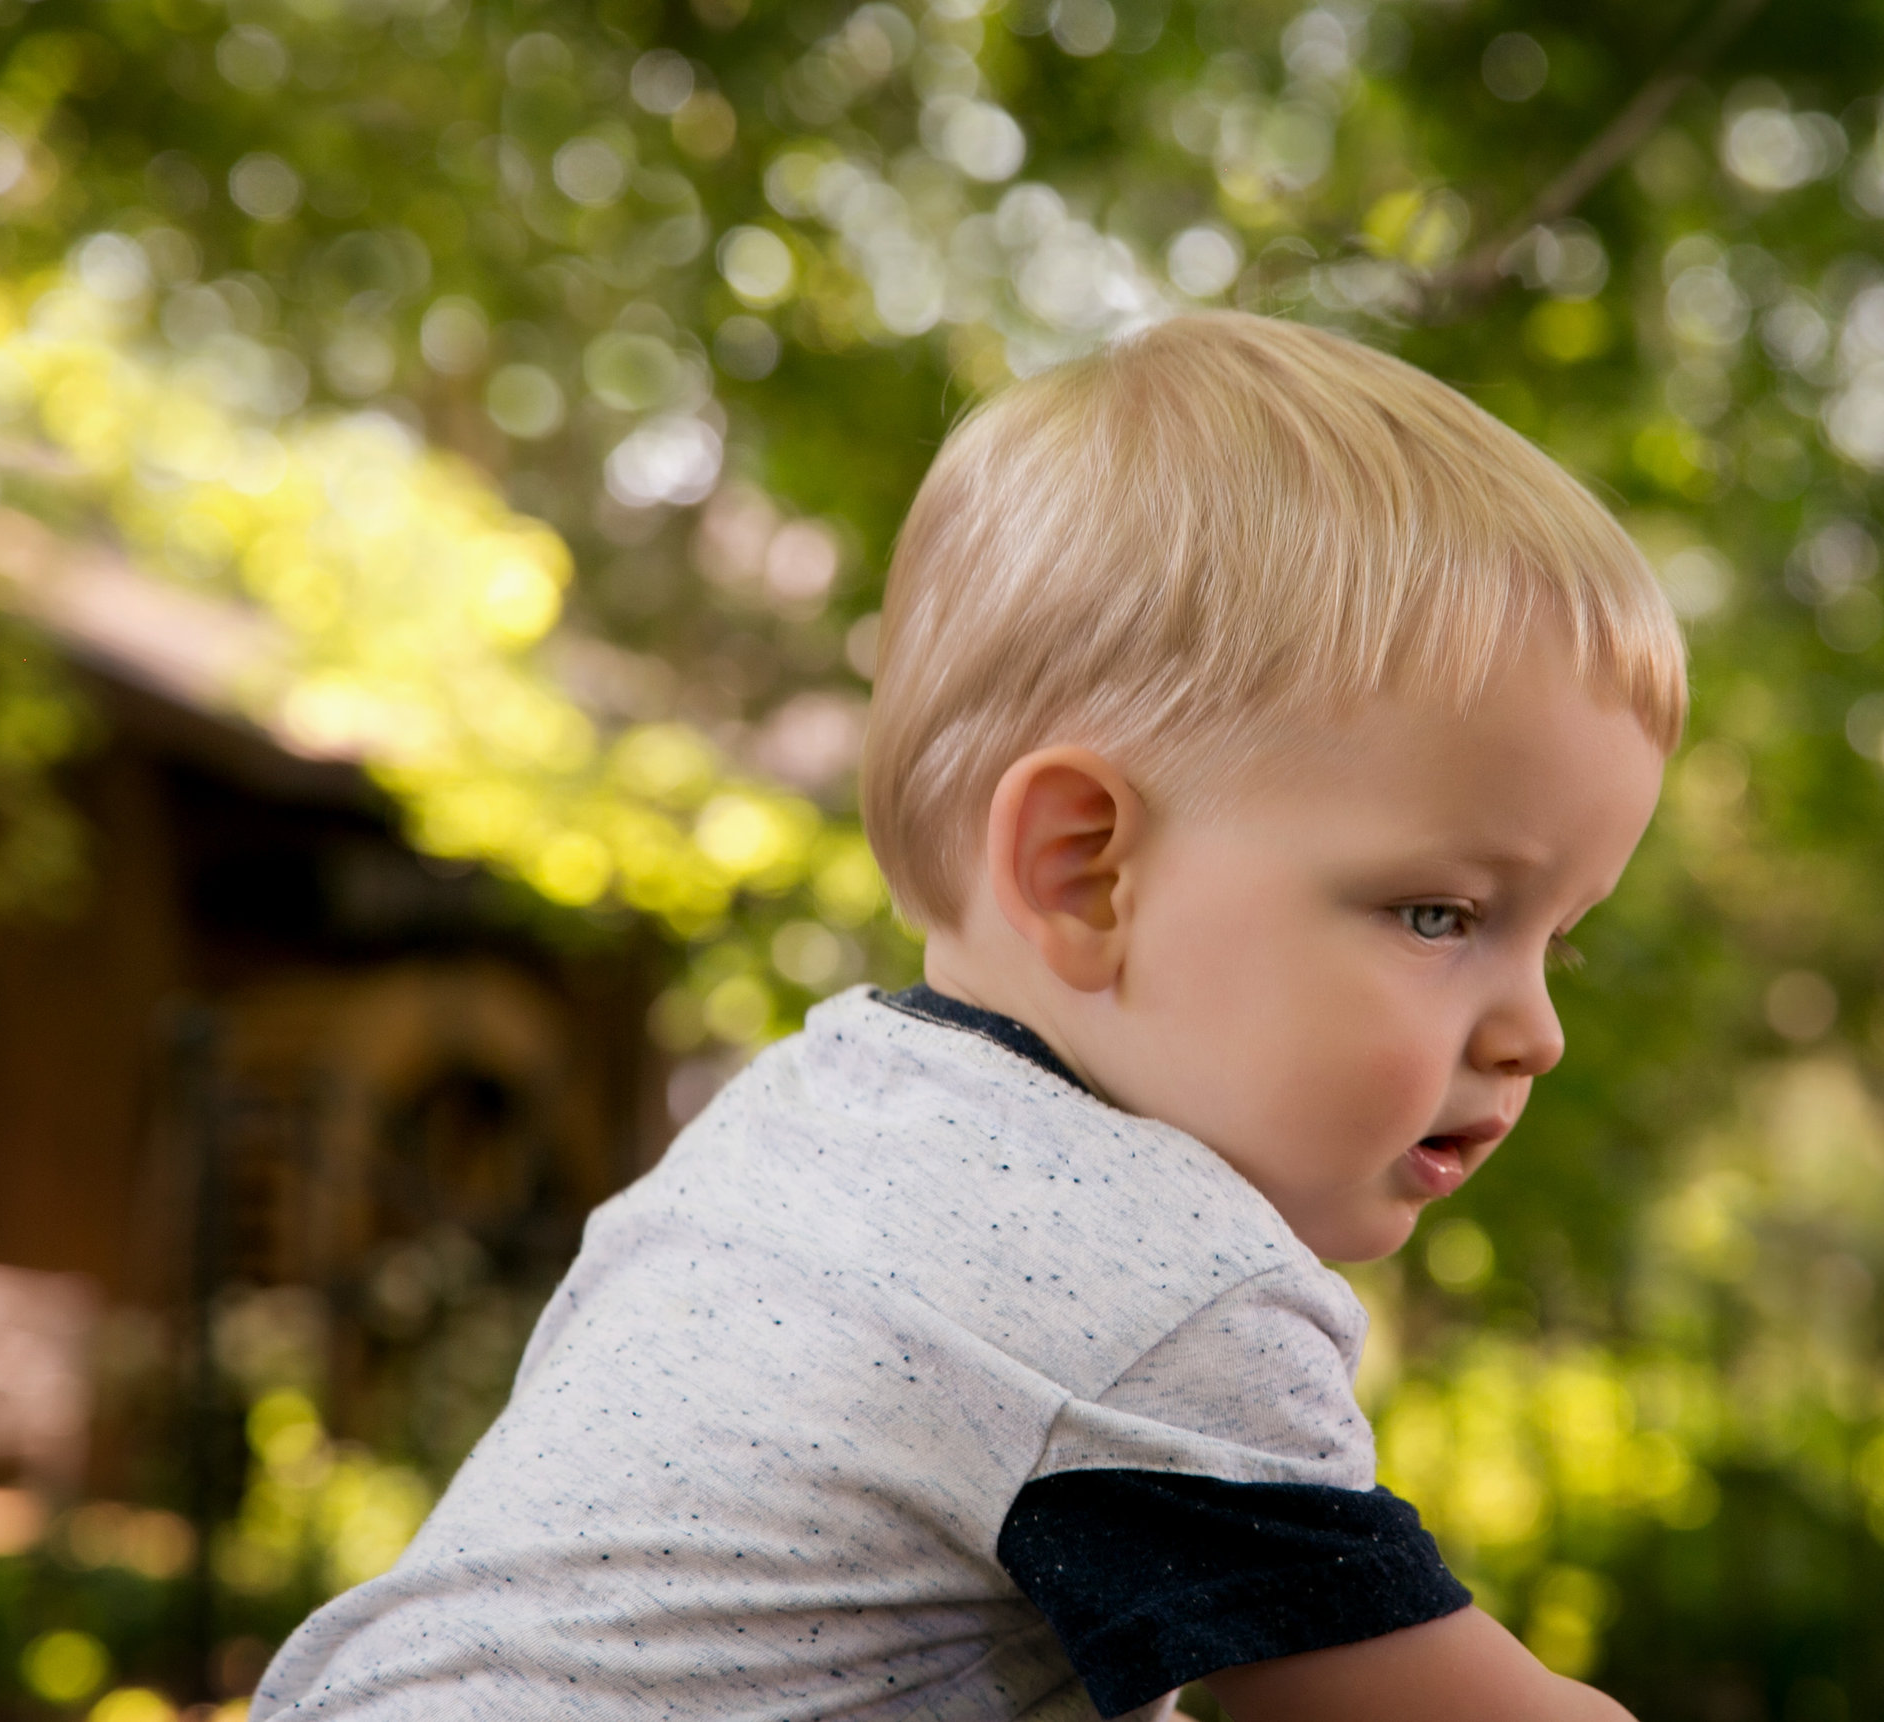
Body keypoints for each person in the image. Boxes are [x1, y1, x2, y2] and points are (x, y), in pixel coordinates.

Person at [253, 312, 1683, 1722]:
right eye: (1442, 915)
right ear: (1085, 868)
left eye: (1557, 937)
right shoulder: (1164, 1284)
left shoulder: (806, 1119)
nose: (1535, 1031)